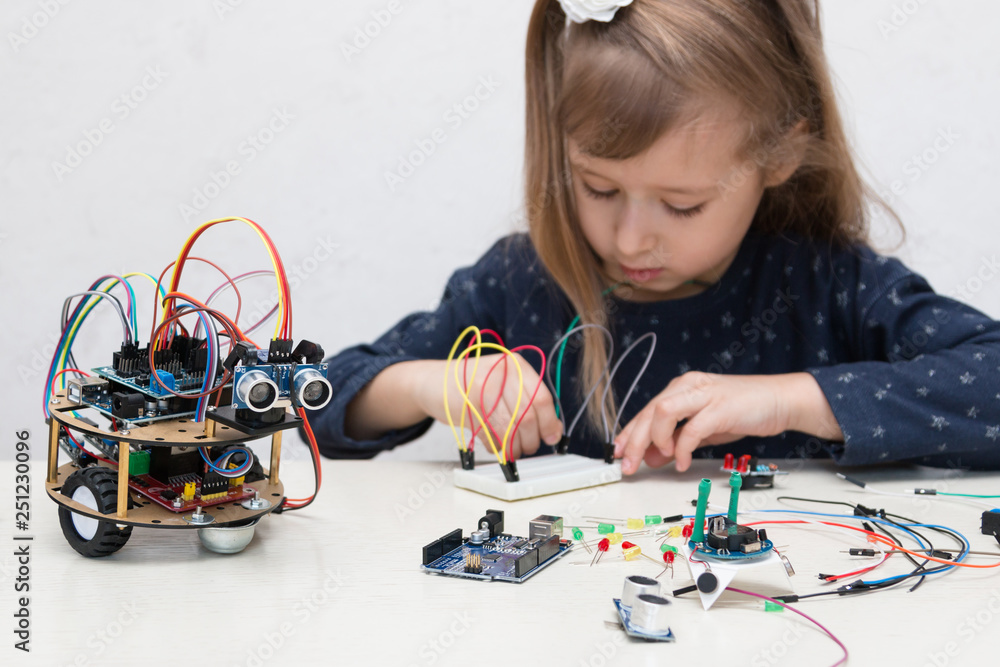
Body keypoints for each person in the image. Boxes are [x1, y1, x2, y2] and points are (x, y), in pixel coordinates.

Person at [310, 0, 1000, 473]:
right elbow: (312, 400)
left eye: (682, 204)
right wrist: (430, 385)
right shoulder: (522, 281)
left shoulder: (826, 284)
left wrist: (794, 398)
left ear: (779, 158)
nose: (632, 239)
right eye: (599, 189)